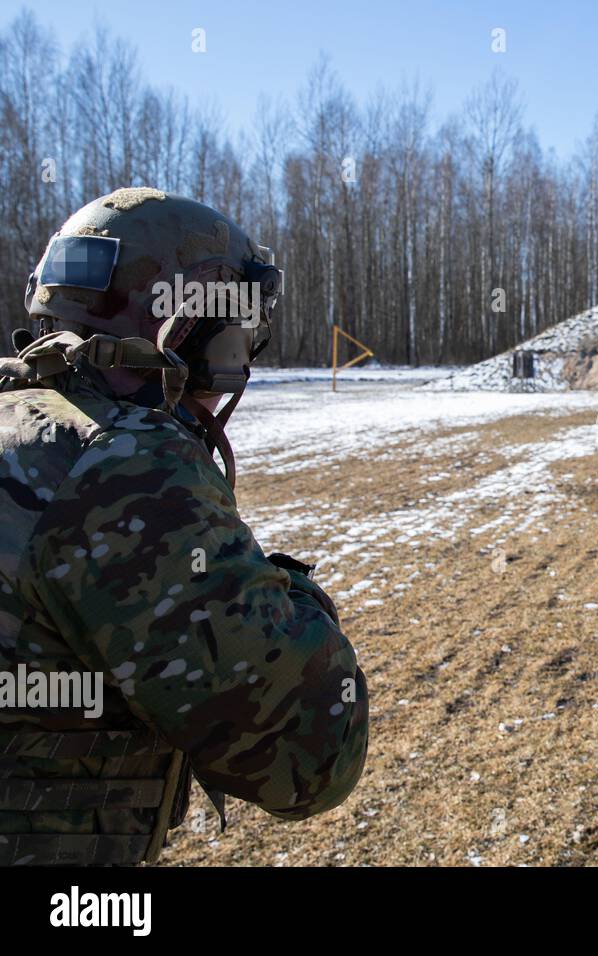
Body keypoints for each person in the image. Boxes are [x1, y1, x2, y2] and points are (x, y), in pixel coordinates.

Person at [0, 188, 369, 866]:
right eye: (237, 330)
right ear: (183, 328)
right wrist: (292, 594)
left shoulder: (21, 425)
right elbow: (311, 755)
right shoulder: (125, 466)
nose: (242, 354)